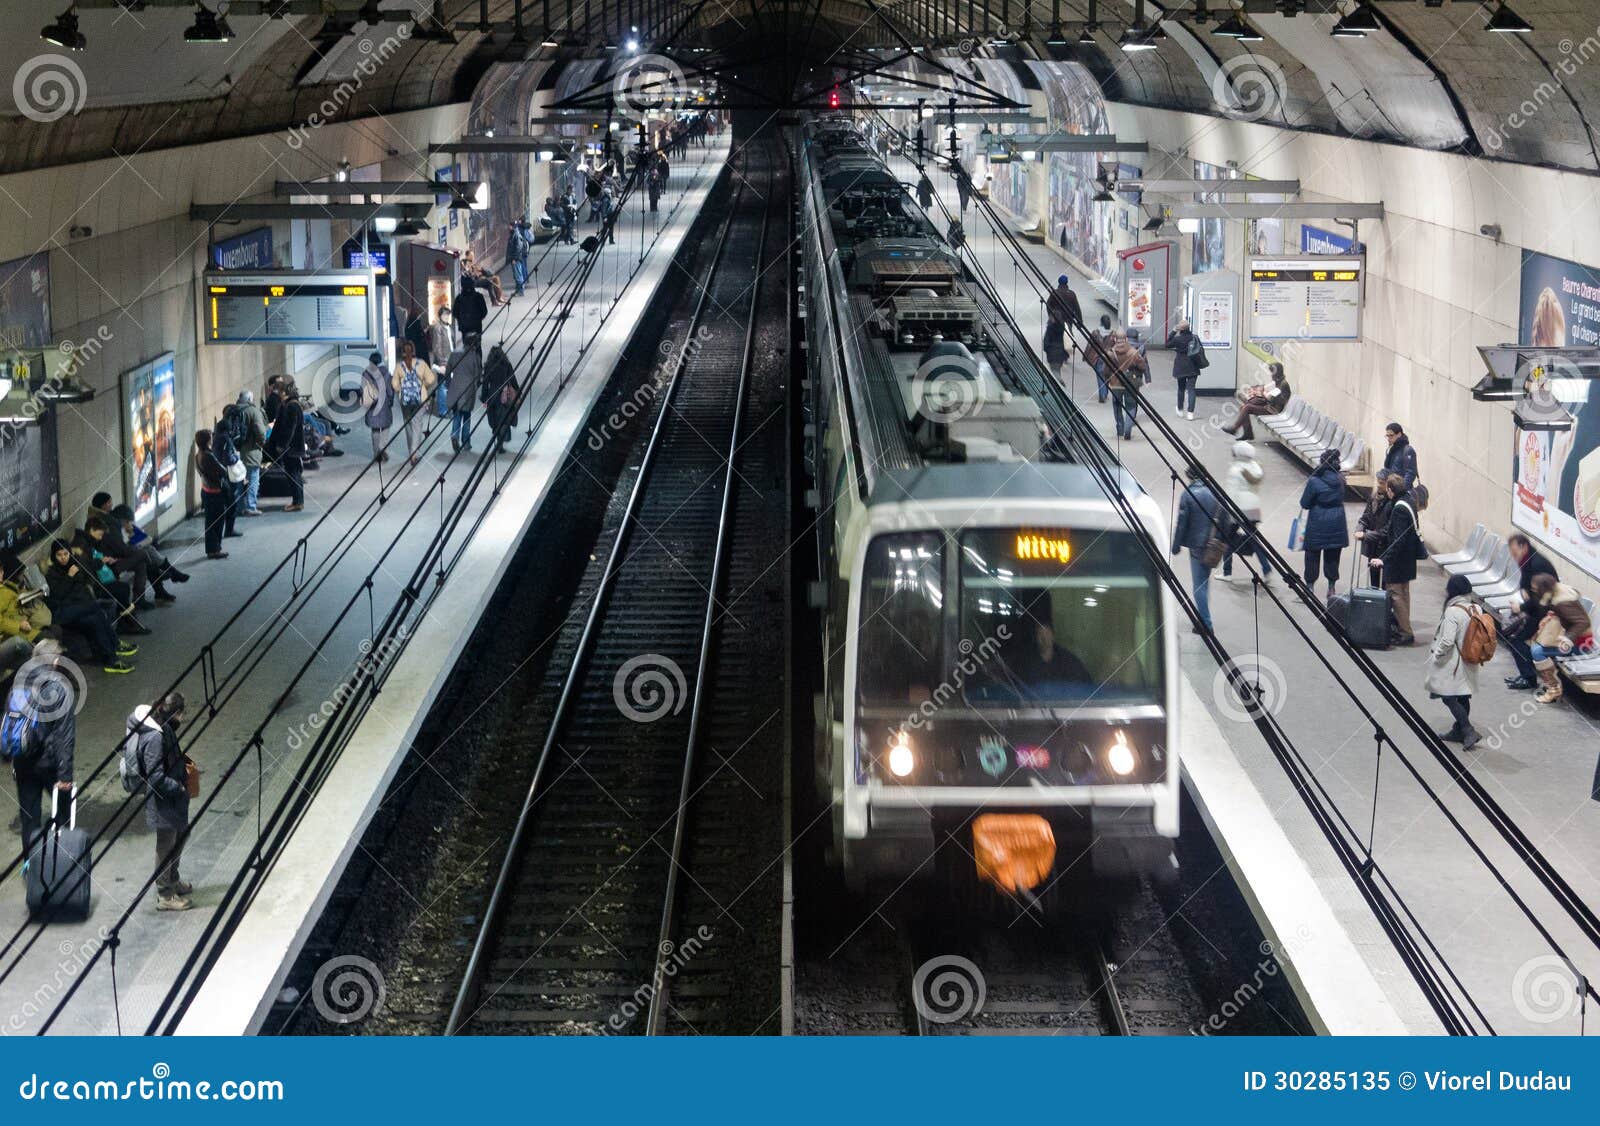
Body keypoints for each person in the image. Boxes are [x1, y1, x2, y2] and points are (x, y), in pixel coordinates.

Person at [7, 638, 76, 858]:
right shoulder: (59, 688)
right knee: (64, 812)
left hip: (23, 760)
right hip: (49, 763)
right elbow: (64, 737)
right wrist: (65, 776)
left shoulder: (19, 682)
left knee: (29, 817)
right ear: (55, 662)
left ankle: (31, 866)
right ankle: (60, 864)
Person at [127, 692, 194, 911]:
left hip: (173, 798)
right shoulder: (155, 736)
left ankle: (172, 880)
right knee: (166, 844)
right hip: (164, 799)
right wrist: (179, 787)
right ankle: (165, 894)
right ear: (176, 713)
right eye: (182, 714)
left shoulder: (163, 727)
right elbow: (155, 776)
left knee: (181, 835)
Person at [42, 540, 135, 672]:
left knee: (96, 619)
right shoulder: (52, 574)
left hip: (81, 609)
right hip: (65, 613)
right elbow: (58, 595)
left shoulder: (75, 565)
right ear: (54, 556)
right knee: (96, 607)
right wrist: (69, 576)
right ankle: (116, 645)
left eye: (66, 554)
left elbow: (82, 587)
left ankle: (111, 660)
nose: (63, 558)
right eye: (59, 555)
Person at [1427, 574, 1481, 750]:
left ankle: (1467, 729)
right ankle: (1458, 730)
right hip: (1470, 658)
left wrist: (1437, 655)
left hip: (1453, 661)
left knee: (1448, 697)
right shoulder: (1476, 608)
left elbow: (1448, 640)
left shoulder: (1452, 611)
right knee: (1463, 694)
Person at [1499, 532, 1559, 690]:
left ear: (1523, 546)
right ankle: (1527, 675)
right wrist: (1523, 593)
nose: (1513, 557)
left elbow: (1543, 597)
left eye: (1515, 553)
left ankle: (1529, 678)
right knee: (1512, 635)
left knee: (1517, 640)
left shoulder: (1536, 564)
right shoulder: (1528, 560)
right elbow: (1527, 585)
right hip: (1536, 607)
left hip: (1545, 611)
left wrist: (1521, 607)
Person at [1525, 572, 1595, 704]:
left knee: (1537, 651)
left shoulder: (1562, 602)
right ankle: (1552, 684)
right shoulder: (1557, 593)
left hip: (1580, 644)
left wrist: (1568, 639)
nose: (1533, 590)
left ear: (1543, 589)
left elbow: (1583, 622)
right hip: (1576, 638)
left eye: (1535, 589)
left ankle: (1553, 689)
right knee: (1536, 645)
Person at [1372, 474, 1421, 645]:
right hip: (1408, 560)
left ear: (1391, 490)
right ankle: (1405, 628)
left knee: (1396, 595)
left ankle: (1406, 633)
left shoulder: (1399, 508)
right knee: (1404, 595)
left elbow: (1398, 539)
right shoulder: (1409, 500)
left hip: (1399, 561)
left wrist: (1383, 559)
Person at [1171, 467, 1222, 632]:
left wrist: (1176, 545)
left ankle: (1206, 624)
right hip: (1213, 545)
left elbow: (1182, 523)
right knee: (1205, 584)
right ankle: (1203, 616)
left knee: (1199, 585)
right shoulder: (1215, 492)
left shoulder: (1188, 494)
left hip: (1197, 545)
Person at [1298, 448, 1350, 603]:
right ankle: (1331, 587)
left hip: (1317, 523)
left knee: (1312, 555)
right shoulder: (1341, 479)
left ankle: (1310, 588)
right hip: (1337, 522)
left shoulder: (1314, 481)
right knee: (1333, 556)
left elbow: (1304, 503)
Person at [1221, 441, 1268, 585]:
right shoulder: (1256, 467)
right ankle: (1267, 569)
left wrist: (1227, 510)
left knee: (1227, 540)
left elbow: (1231, 492)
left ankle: (1227, 572)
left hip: (1239, 508)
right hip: (1254, 507)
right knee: (1254, 540)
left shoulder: (1235, 470)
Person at [392, 340, 437, 467]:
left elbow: (394, 384)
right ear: (413, 351)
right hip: (420, 400)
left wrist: (401, 390)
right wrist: (423, 386)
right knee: (417, 426)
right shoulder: (421, 364)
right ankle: (414, 454)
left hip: (405, 401)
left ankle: (411, 450)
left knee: (408, 425)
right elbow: (431, 379)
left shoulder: (399, 366)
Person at [264, 383, 305, 512]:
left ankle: (297, 502)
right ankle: (298, 501)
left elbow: (289, 429)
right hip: (294, 447)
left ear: (284, 392)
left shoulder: (291, 406)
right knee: (295, 473)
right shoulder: (293, 405)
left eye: (280, 392)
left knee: (293, 474)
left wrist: (282, 445)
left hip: (291, 448)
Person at [1223, 363, 1291, 439]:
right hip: (1269, 406)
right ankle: (1248, 433)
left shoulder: (1283, 384)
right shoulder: (1278, 382)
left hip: (1274, 410)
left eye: (1272, 372)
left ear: (1277, 372)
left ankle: (1235, 429)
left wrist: (1265, 393)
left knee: (1248, 407)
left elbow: (1274, 399)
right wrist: (1263, 391)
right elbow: (1270, 395)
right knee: (1243, 407)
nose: (1271, 375)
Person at [195, 430, 231, 558]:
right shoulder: (208, 456)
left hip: (206, 491)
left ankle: (213, 549)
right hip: (214, 493)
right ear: (207, 440)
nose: (212, 438)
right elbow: (222, 471)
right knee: (217, 522)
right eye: (210, 437)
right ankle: (214, 550)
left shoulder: (198, 455)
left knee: (210, 522)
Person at [1106, 330, 1147, 440]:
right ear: (1126, 339)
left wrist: (1107, 379)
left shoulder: (1110, 353)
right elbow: (1143, 366)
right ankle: (1127, 430)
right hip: (1131, 383)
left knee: (1117, 405)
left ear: (1115, 339)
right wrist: (1136, 373)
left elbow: (1106, 370)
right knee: (1131, 406)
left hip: (1115, 383)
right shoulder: (1133, 352)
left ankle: (1120, 429)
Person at [444, 334, 481, 453]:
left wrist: (449, 383)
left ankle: (454, 435)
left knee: (457, 414)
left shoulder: (455, 354)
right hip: (468, 390)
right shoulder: (475, 356)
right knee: (466, 416)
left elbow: (448, 370)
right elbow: (478, 374)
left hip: (455, 388)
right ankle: (466, 442)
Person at [1353, 469, 1394, 575]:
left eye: (1382, 483)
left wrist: (1366, 535)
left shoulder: (1392, 503)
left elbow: (1387, 530)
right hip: (1373, 545)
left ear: (1388, 485)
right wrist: (1359, 529)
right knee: (1373, 580)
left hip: (1385, 546)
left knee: (1386, 581)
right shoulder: (1373, 498)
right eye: (1378, 482)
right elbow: (1365, 517)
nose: (1379, 485)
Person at [235, 390, 268, 516]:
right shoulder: (253, 411)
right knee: (253, 478)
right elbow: (260, 432)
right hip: (251, 450)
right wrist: (262, 442)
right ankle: (251, 506)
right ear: (249, 399)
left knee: (238, 479)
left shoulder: (231, 410)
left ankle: (238, 507)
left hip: (234, 451)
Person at [481, 345, 518, 454]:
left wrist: (484, 398)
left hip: (492, 395)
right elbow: (513, 379)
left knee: (495, 420)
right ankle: (500, 443)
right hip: (504, 394)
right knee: (504, 418)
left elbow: (485, 384)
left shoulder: (488, 366)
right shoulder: (506, 364)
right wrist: (517, 390)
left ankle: (498, 440)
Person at [359, 351, 394, 463]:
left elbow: (362, 390)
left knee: (375, 429)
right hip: (383, 404)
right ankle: (382, 448)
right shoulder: (386, 373)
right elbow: (389, 390)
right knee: (386, 427)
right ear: (380, 361)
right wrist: (391, 400)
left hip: (371, 405)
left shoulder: (365, 373)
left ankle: (376, 454)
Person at [1165, 319, 1202, 420]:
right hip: (1193, 365)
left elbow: (1167, 344)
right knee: (1191, 389)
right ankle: (1190, 413)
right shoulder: (1194, 337)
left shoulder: (1177, 339)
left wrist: (1173, 331)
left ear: (1180, 329)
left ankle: (1180, 410)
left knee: (1181, 388)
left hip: (1181, 366)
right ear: (1189, 328)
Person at [1382, 422, 1419, 489]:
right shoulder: (1391, 449)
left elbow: (1411, 473)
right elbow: (1387, 469)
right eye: (1387, 436)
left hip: (1401, 492)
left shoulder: (1408, 450)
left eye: (1391, 435)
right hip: (1391, 490)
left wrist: (1401, 489)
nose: (1388, 438)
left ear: (1399, 434)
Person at [1089, 314, 1113, 403]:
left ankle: (1102, 395)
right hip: (1109, 359)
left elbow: (1090, 345)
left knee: (1100, 376)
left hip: (1098, 358)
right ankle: (1105, 393)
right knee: (1107, 376)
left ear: (1101, 323)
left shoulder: (1095, 333)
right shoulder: (1113, 334)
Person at [506, 218, 531, 298]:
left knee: (518, 275)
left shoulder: (516, 235)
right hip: (515, 259)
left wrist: (514, 258)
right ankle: (517, 291)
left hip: (516, 259)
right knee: (517, 275)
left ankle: (520, 291)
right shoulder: (514, 234)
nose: (508, 227)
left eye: (509, 226)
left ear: (512, 226)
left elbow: (518, 248)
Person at [427, 306, 455, 370]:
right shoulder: (438, 328)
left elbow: (452, 343)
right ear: (440, 316)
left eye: (448, 314)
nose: (446, 316)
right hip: (443, 362)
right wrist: (442, 363)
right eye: (444, 314)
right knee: (443, 379)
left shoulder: (449, 327)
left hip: (450, 359)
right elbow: (437, 347)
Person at [1042, 315, 1068, 380]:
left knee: (1053, 370)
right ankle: (1059, 381)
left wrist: (1046, 349)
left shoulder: (1050, 328)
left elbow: (1046, 340)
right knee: (1057, 369)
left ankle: (1059, 381)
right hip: (1060, 352)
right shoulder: (1062, 327)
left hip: (1052, 352)